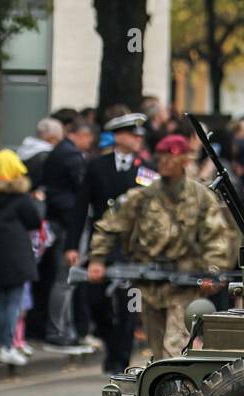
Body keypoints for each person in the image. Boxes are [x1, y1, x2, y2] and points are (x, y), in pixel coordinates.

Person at [87, 134, 230, 360]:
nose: (163, 162)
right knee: (156, 349)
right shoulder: (143, 196)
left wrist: (213, 271)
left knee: (176, 346)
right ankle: (164, 392)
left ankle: (177, 393)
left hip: (185, 281)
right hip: (150, 283)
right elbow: (109, 225)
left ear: (185, 159)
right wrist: (97, 260)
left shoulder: (201, 197)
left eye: (170, 157)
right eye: (160, 156)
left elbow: (217, 237)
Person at [81, 112, 154, 373]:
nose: (137, 139)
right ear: (118, 137)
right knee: (95, 299)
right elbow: (82, 206)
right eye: (133, 135)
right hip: (102, 244)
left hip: (132, 246)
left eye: (139, 135)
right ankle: (110, 342)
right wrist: (71, 245)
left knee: (129, 304)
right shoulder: (96, 166)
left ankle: (119, 359)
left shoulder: (145, 169)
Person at [0, 149, 42, 366]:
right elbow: (34, 220)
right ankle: (7, 344)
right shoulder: (21, 199)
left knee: (0, 302)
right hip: (16, 257)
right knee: (13, 304)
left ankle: (2, 342)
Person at [39, 119, 91, 349]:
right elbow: (82, 189)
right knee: (66, 279)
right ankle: (59, 330)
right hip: (69, 224)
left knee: (65, 279)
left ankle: (65, 329)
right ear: (81, 135)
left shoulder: (58, 152)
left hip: (60, 221)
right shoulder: (71, 155)